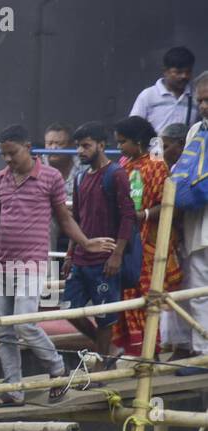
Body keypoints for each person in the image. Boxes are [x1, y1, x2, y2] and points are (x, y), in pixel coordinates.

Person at [0, 125, 115, 407]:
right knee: (3, 329)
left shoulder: (50, 178)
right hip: (2, 260)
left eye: (12, 153)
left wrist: (85, 243)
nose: (8, 160)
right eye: (3, 155)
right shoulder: (0, 179)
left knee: (24, 322)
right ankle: (14, 390)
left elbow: (64, 219)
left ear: (28, 147)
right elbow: (0, 219)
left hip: (32, 261)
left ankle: (57, 368)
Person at [62, 122, 136, 365]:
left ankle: (103, 368)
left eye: (86, 146)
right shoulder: (81, 177)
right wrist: (70, 253)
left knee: (105, 315)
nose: (80, 151)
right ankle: (110, 351)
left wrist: (117, 254)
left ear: (101, 145)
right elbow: (77, 219)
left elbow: (128, 215)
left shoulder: (116, 174)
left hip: (105, 257)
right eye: (78, 147)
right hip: (82, 256)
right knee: (69, 309)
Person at [114, 116, 182, 357]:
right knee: (128, 295)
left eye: (123, 142)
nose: (120, 147)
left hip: (149, 241)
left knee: (148, 296)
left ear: (139, 141)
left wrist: (141, 215)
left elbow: (166, 203)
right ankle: (136, 353)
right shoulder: (123, 163)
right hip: (126, 240)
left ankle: (151, 353)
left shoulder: (156, 165)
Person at [167, 71, 208, 368]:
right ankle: (201, 353)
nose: (204, 105)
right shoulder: (196, 131)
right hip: (198, 223)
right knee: (198, 289)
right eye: (202, 100)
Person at [129, 47, 197, 140]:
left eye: (188, 72)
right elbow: (133, 127)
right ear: (165, 71)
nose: (184, 76)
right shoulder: (148, 95)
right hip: (154, 152)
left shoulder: (196, 98)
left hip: (184, 153)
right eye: (178, 72)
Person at [42, 122, 86, 255]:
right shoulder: (37, 165)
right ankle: (47, 274)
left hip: (78, 214)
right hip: (50, 214)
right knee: (45, 225)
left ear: (72, 145)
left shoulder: (84, 166)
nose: (53, 148)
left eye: (59, 144)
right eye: (49, 144)